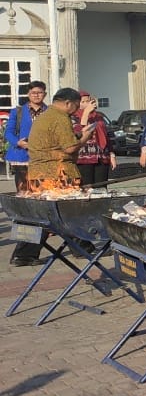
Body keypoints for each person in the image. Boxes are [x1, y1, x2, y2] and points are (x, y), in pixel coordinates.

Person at [6, 81, 48, 265]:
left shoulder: (49, 111)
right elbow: (8, 132)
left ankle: (26, 253)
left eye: (40, 93)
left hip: (43, 161)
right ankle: (23, 252)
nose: (37, 95)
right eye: (33, 93)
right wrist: (19, 142)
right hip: (22, 160)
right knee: (27, 205)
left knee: (39, 205)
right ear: (28, 94)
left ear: (44, 94)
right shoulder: (18, 111)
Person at [27, 88, 95, 184]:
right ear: (68, 103)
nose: (76, 111)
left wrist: (79, 134)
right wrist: (85, 137)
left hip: (36, 173)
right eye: (76, 106)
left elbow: (53, 140)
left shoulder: (44, 116)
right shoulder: (61, 117)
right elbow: (70, 147)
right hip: (58, 174)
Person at [72, 90, 116, 188]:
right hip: (83, 158)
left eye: (89, 101)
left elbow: (106, 136)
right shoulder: (74, 116)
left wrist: (111, 155)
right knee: (87, 187)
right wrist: (86, 113)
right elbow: (79, 131)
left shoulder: (98, 116)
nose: (89, 103)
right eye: (84, 101)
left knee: (101, 188)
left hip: (101, 157)